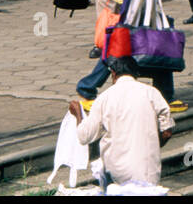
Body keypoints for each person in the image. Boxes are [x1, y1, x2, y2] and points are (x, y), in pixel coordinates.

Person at [71, 56, 175, 189]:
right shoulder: (152, 93)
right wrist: (151, 146)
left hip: (115, 171)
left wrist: (78, 114)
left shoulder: (104, 98)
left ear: (113, 74)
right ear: (136, 74)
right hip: (147, 170)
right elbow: (167, 132)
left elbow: (84, 136)